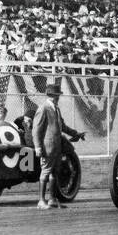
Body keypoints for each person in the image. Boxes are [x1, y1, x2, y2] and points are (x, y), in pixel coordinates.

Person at [32, 79, 83, 208]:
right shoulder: (43, 109)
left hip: (56, 147)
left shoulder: (56, 109)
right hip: (47, 147)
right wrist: (38, 146)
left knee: (54, 172)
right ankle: (41, 201)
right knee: (45, 171)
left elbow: (63, 126)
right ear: (54, 96)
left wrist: (75, 134)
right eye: (58, 95)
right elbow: (36, 130)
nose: (59, 97)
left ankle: (52, 199)